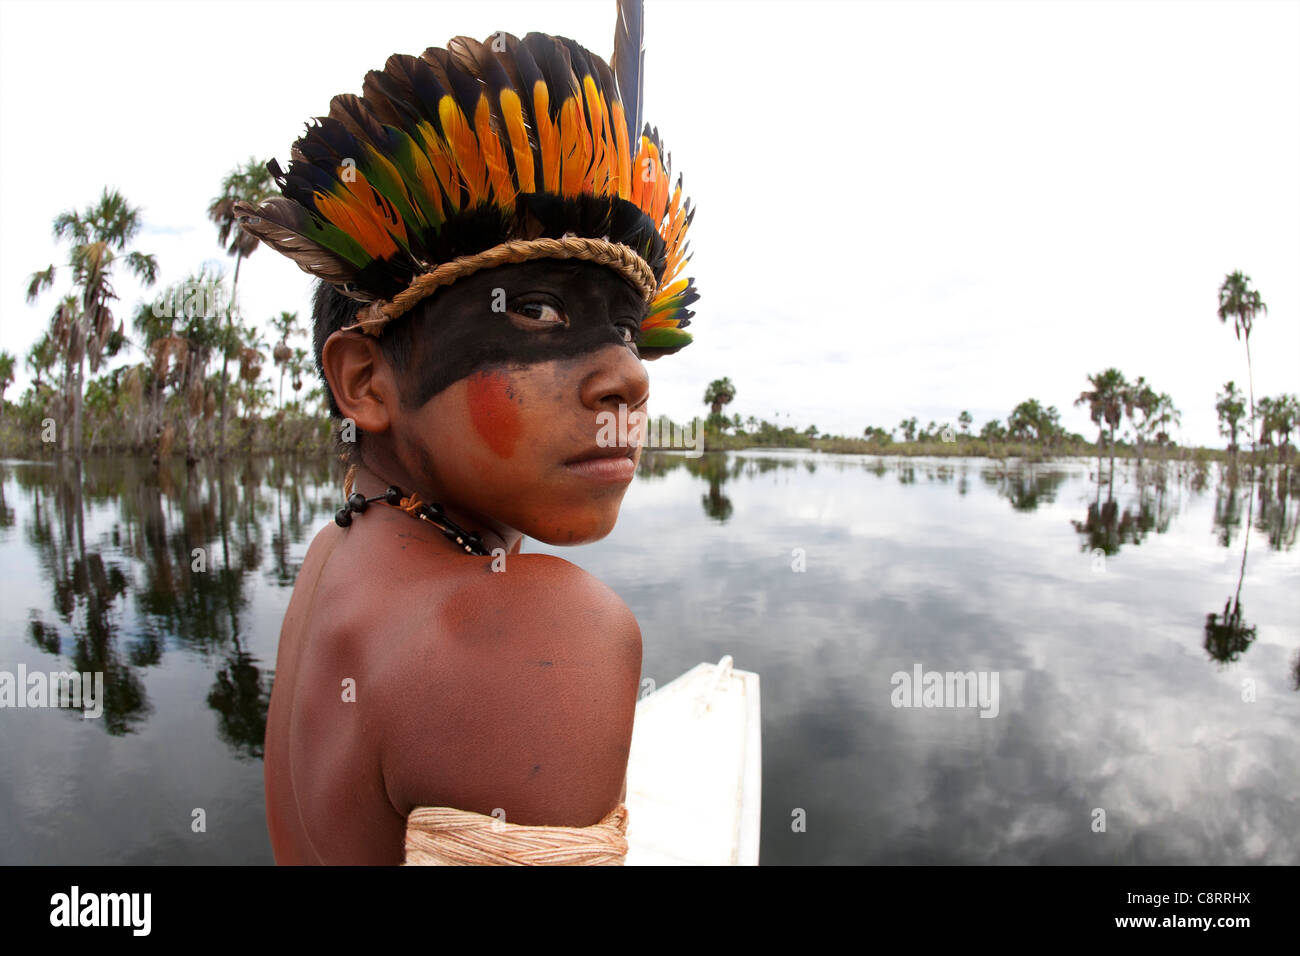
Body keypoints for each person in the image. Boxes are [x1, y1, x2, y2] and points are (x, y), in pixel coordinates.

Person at [236, 13, 698, 864]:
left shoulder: (333, 565)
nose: (629, 380)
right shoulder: (541, 636)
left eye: (628, 334)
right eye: (536, 310)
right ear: (366, 383)